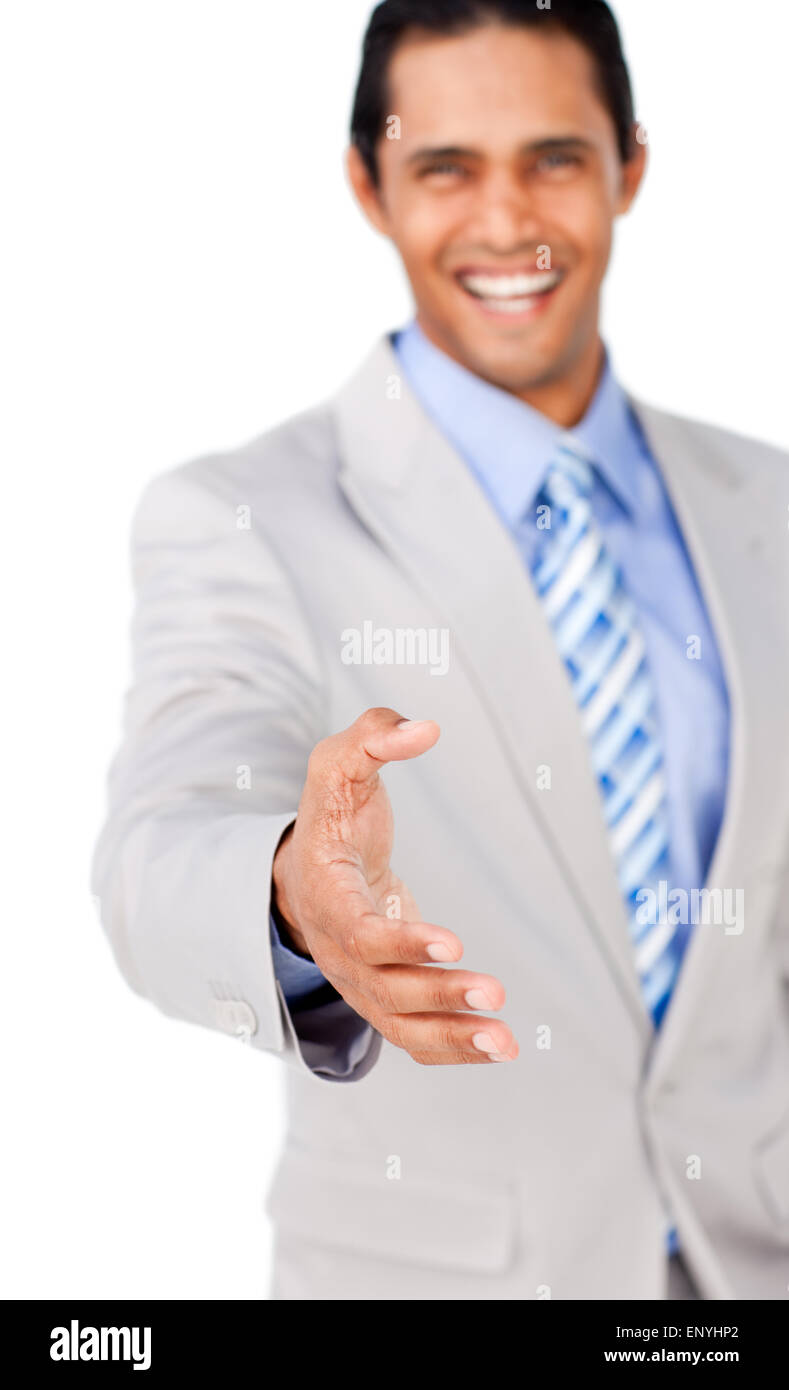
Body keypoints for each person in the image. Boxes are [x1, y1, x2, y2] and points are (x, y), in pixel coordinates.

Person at [91, 0, 789, 1301]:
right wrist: (297, 892)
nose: (507, 220)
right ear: (367, 184)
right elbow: (165, 830)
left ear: (628, 164)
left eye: (553, 157)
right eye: (445, 166)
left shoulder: (769, 507)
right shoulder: (247, 515)